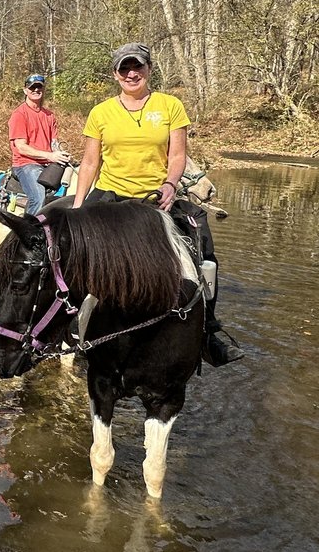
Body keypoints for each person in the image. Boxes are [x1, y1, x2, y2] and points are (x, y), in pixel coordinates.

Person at [72, 42, 244, 366]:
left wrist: (170, 184)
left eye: (137, 67)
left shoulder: (170, 106)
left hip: (157, 195)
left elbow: (177, 155)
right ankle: (67, 322)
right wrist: (79, 205)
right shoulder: (101, 112)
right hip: (112, 194)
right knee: (70, 245)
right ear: (115, 74)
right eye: (124, 68)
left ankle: (209, 331)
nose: (132, 73)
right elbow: (90, 162)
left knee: (203, 244)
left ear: (149, 69)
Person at [8, 73, 72, 215]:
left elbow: (53, 143)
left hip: (47, 164)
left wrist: (61, 154)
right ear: (25, 90)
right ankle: (28, 233)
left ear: (44, 90)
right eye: (32, 87)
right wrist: (50, 156)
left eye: (39, 87)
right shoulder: (19, 114)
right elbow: (21, 147)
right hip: (25, 164)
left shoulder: (49, 115)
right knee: (38, 198)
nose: (36, 90)